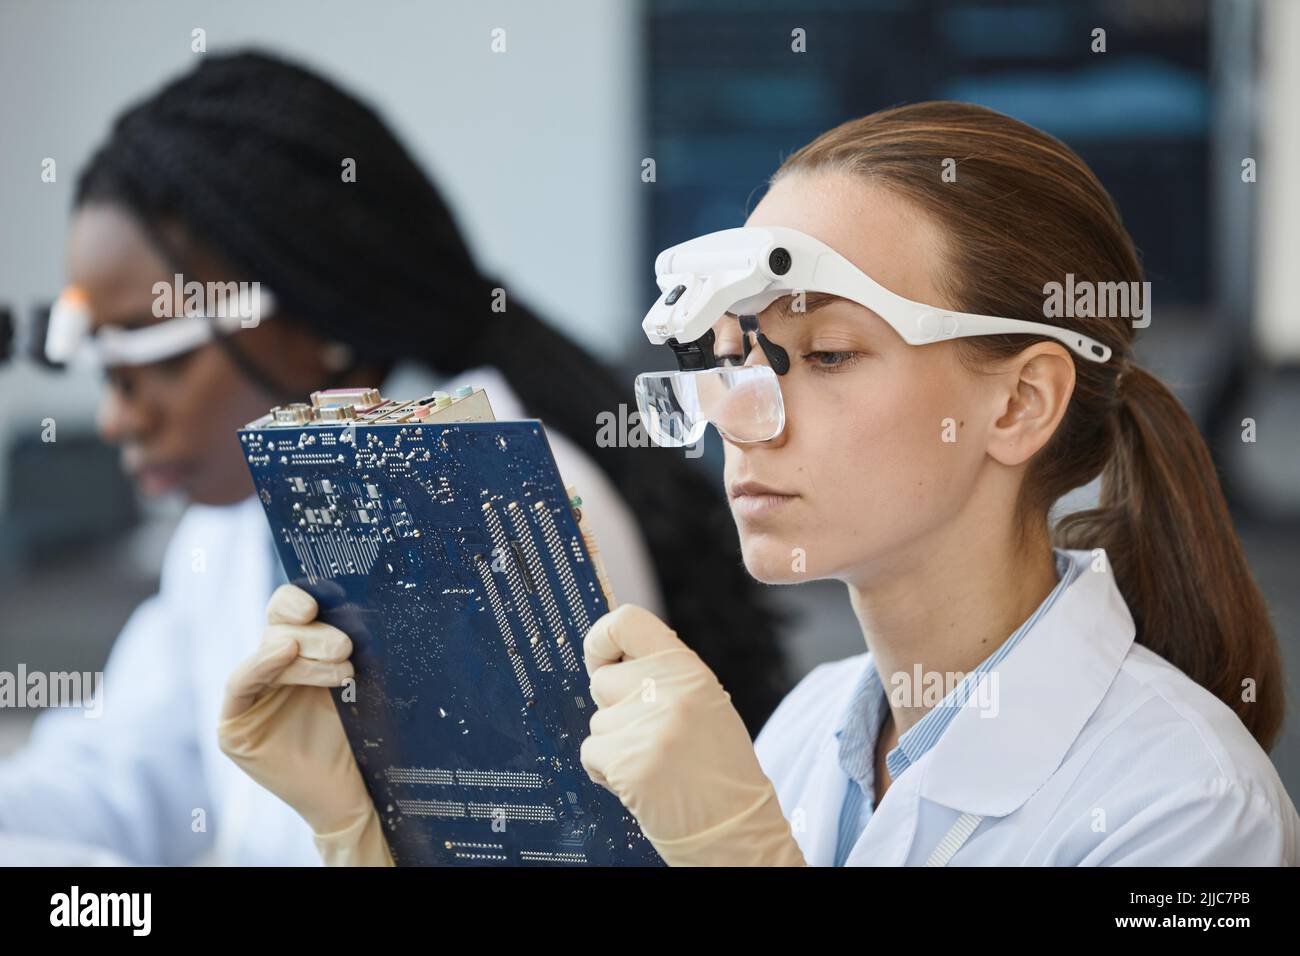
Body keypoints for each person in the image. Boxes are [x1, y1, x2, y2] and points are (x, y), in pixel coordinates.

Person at [222, 101, 1298, 866]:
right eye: (733, 357)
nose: (743, 415)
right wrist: (369, 830)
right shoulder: (807, 730)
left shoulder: (1188, 811)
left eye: (823, 355)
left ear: (1017, 404)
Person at [0, 51, 788, 866]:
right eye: (105, 367)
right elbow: (111, 778)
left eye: (156, 359)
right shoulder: (227, 528)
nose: (116, 416)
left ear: (316, 319)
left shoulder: (493, 509)